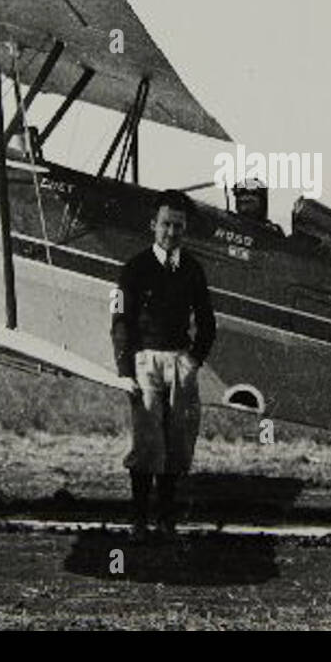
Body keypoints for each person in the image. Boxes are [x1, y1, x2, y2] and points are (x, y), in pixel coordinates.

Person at [110, 190, 216, 538]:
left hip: (180, 363)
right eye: (166, 224)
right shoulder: (134, 268)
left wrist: (194, 359)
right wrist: (126, 371)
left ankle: (167, 521)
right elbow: (120, 322)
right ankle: (139, 521)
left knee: (177, 443)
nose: (172, 232)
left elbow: (207, 322)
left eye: (179, 226)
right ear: (153, 225)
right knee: (146, 441)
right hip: (145, 362)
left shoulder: (192, 270)